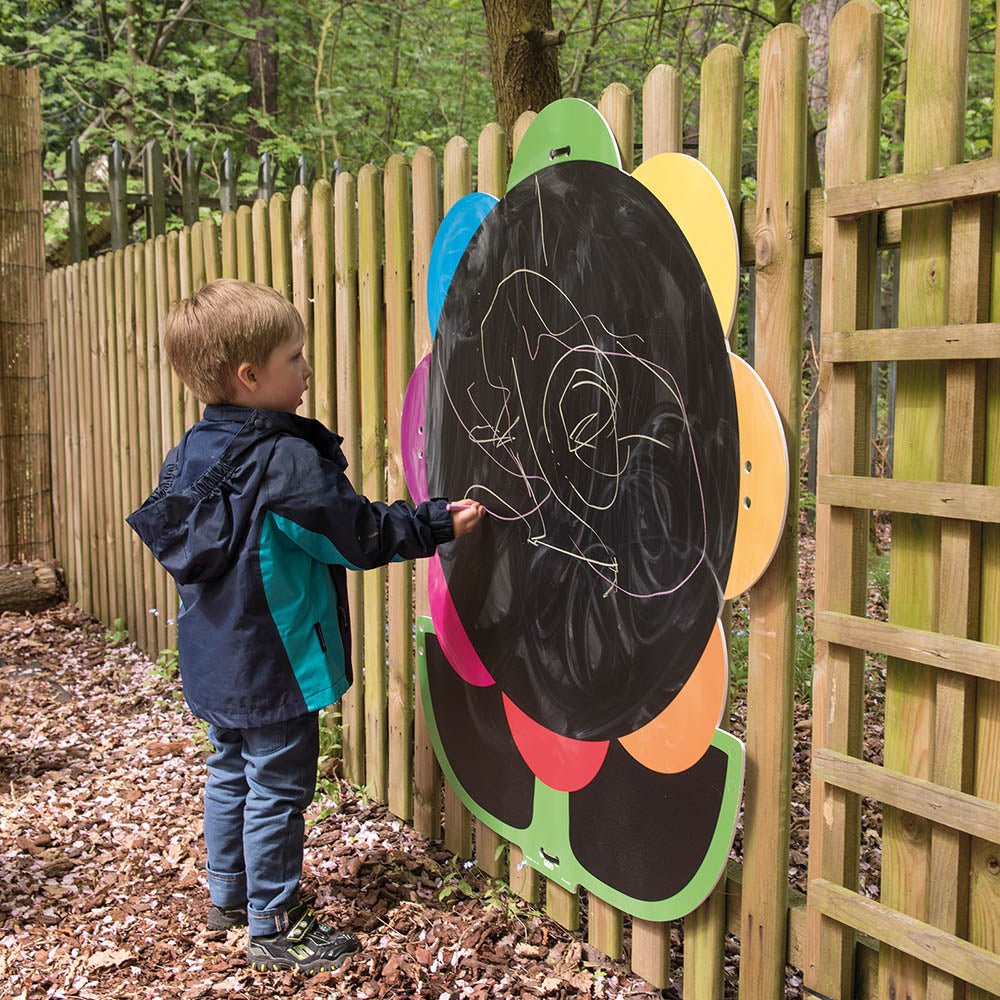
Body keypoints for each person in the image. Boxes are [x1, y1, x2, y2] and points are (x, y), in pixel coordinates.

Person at [127, 278, 484, 975]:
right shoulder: (283, 462)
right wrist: (433, 523)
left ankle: (230, 897)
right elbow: (350, 535)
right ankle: (276, 925)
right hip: (273, 661)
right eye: (295, 357)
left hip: (216, 655)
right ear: (250, 375)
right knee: (280, 789)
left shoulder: (193, 452)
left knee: (230, 770)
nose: (307, 369)